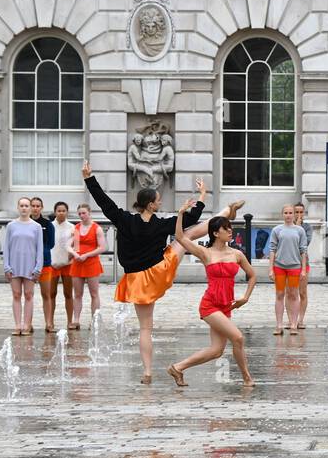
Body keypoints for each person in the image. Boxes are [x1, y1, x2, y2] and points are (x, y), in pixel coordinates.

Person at [82, 161, 241, 383]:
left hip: (136, 279)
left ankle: (147, 373)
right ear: (149, 205)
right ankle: (226, 213)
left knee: (145, 328)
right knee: (189, 235)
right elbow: (191, 220)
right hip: (159, 271)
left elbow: (104, 202)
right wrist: (202, 195)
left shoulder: (125, 220)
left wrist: (89, 178)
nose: (160, 202)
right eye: (158, 201)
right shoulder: (160, 225)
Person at [167, 202, 256, 389]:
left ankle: (178, 367)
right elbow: (180, 237)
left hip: (226, 306)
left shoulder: (237, 254)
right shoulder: (205, 253)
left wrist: (245, 297)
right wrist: (181, 213)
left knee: (216, 351)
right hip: (210, 305)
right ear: (216, 233)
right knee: (238, 338)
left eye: (230, 228)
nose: (230, 231)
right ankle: (247, 379)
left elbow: (252, 275)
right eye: (226, 229)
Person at [3, 197, 44, 336]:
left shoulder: (36, 227)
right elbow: (6, 248)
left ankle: (26, 325)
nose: (24, 208)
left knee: (28, 295)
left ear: (30, 208)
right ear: (18, 207)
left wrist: (38, 267)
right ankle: (17, 325)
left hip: (30, 266)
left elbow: (40, 248)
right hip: (14, 265)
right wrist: (6, 266)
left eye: (27, 205)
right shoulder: (11, 226)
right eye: (22, 205)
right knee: (16, 295)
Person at [266, 205, 308, 335]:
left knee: (293, 294)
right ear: (282, 214)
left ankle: (294, 324)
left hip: (295, 267)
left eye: (290, 213)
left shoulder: (300, 230)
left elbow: (303, 250)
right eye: (286, 213)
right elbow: (272, 249)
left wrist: (303, 269)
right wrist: (271, 269)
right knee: (279, 294)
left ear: (294, 215)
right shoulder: (277, 230)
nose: (288, 215)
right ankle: (279, 325)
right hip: (279, 267)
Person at [68, 203, 106, 329]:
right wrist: (74, 253)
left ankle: (94, 321)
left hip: (91, 262)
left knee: (94, 293)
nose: (81, 215)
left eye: (83, 213)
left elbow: (102, 247)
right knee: (77, 294)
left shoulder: (97, 228)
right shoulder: (76, 228)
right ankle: (76, 319)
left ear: (89, 213)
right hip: (78, 262)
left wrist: (87, 255)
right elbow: (69, 244)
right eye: (79, 213)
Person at [41, 201, 77, 332]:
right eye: (59, 210)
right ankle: (50, 321)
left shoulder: (72, 227)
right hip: (52, 263)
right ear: (55, 212)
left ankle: (70, 321)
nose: (61, 213)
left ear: (67, 212)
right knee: (51, 294)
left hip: (67, 264)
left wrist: (72, 253)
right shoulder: (50, 226)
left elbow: (76, 245)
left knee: (68, 293)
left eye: (63, 210)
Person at [29, 197, 54, 332]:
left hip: (44, 263)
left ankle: (49, 323)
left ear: (41, 208)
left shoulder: (47, 224)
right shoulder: (25, 223)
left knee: (46, 294)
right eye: (33, 205)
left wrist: (40, 253)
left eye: (38, 206)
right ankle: (28, 322)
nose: (35, 208)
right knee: (29, 295)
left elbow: (51, 243)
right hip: (28, 265)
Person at [294, 201, 311, 329]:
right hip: (289, 264)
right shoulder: (285, 227)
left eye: (301, 212)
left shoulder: (307, 228)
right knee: (290, 293)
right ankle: (292, 319)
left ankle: (301, 319)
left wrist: (299, 228)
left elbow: (304, 244)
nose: (299, 215)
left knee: (302, 292)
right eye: (296, 212)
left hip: (303, 264)